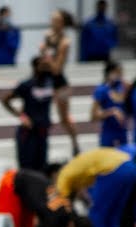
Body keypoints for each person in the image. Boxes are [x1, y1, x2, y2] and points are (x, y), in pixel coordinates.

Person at [56, 148, 136, 227]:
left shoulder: (63, 177)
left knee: (96, 216)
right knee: (112, 216)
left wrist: (69, 226)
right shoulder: (77, 170)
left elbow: (63, 206)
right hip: (130, 167)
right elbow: (84, 194)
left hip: (112, 169)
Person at [4, 58, 62, 172]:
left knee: (42, 167)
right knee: (27, 168)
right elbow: (5, 100)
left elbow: (60, 78)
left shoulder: (50, 83)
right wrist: (21, 116)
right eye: (43, 66)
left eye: (47, 66)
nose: (46, 68)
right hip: (28, 133)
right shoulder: (27, 85)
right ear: (35, 67)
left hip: (42, 131)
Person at [39, 10, 81, 156]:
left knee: (64, 118)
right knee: (41, 114)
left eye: (55, 20)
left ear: (62, 23)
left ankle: (75, 143)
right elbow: (43, 63)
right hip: (45, 81)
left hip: (59, 84)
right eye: (52, 19)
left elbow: (57, 69)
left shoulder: (65, 42)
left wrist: (46, 54)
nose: (52, 22)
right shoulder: (48, 36)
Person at [92, 62, 130, 149]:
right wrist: (112, 112)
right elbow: (93, 116)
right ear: (109, 73)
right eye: (117, 72)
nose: (120, 75)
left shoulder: (123, 87)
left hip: (122, 132)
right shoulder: (102, 90)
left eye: (121, 72)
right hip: (108, 133)